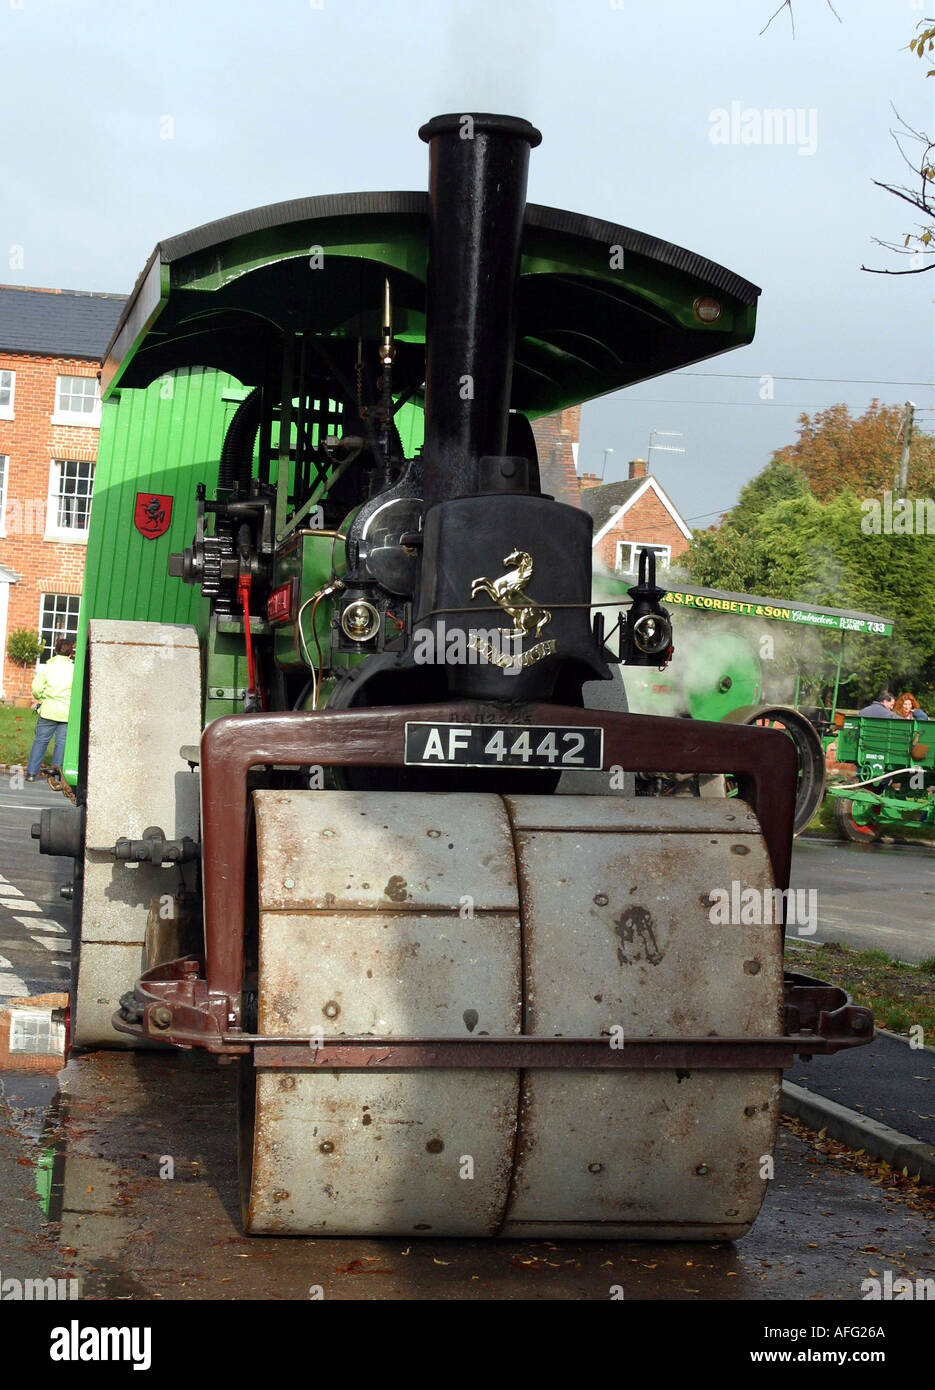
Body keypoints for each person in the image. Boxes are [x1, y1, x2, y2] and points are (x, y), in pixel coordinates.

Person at [25, 638, 75, 781]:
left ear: (55, 650)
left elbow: (37, 689)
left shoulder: (47, 667)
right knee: (62, 743)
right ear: (71, 653)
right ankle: (55, 773)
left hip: (48, 709)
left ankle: (31, 773)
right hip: (66, 712)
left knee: (40, 741)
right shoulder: (74, 670)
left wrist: (42, 697)